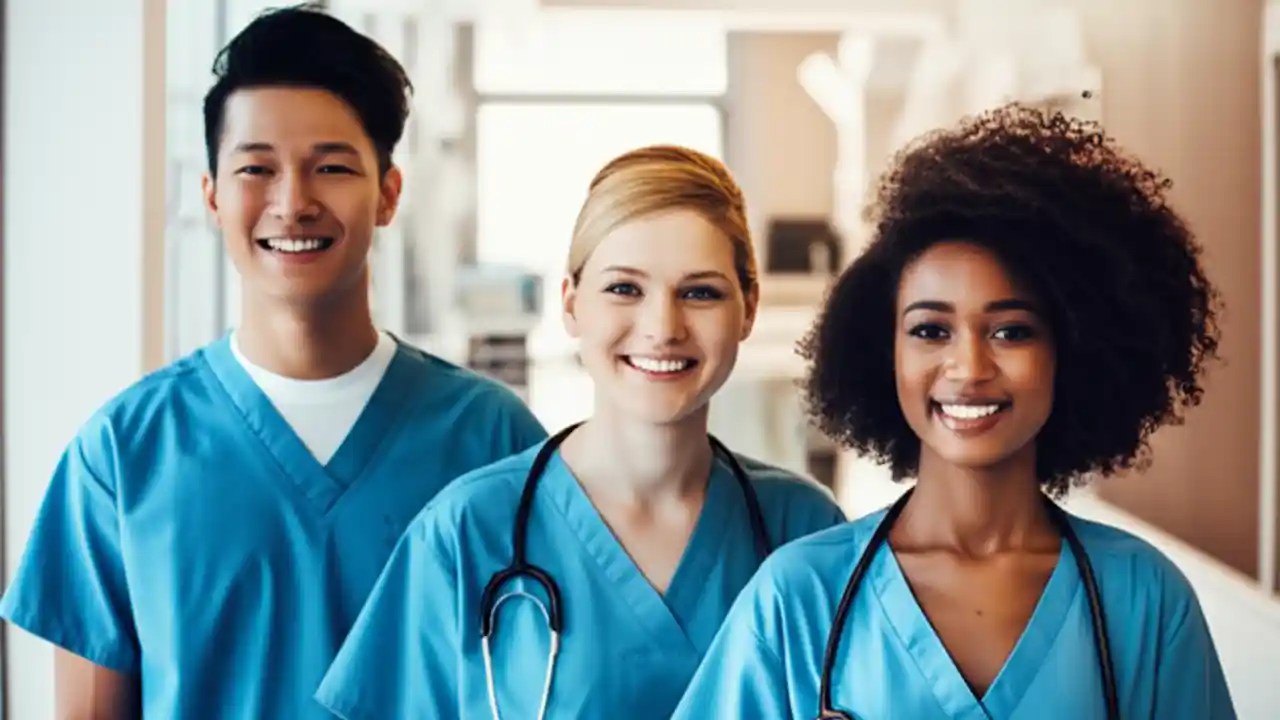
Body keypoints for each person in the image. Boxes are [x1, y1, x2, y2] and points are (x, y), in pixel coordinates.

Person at [0, 6, 545, 718]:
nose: (293, 203)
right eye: (257, 167)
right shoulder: (122, 458)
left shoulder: (491, 442)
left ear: (387, 193)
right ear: (212, 195)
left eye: (332, 167)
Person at [671, 103, 1235, 719]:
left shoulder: (1143, 601)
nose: (968, 368)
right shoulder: (801, 598)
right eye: (931, 330)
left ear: (1070, 350)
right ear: (881, 351)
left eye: (1011, 331)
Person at [313, 144, 848, 719]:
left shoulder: (805, 532)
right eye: (624, 289)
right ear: (570, 304)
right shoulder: (468, 532)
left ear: (748, 308)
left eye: (700, 292)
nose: (662, 328)